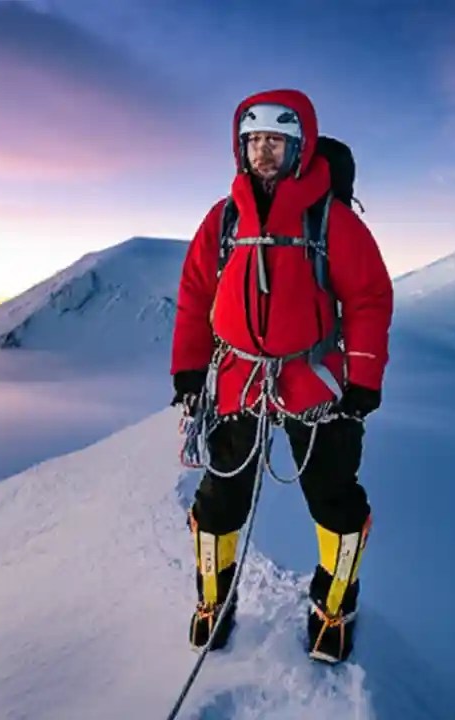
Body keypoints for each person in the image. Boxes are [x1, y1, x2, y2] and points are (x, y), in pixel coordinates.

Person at [169, 88, 394, 663]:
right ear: (239, 149)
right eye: (254, 142)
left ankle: (333, 607)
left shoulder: (331, 220)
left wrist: (364, 378)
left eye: (276, 141)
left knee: (334, 500)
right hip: (236, 379)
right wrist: (190, 370)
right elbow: (196, 295)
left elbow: (368, 297)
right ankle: (212, 602)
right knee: (219, 500)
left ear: (301, 147)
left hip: (314, 380)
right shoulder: (224, 220)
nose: (263, 153)